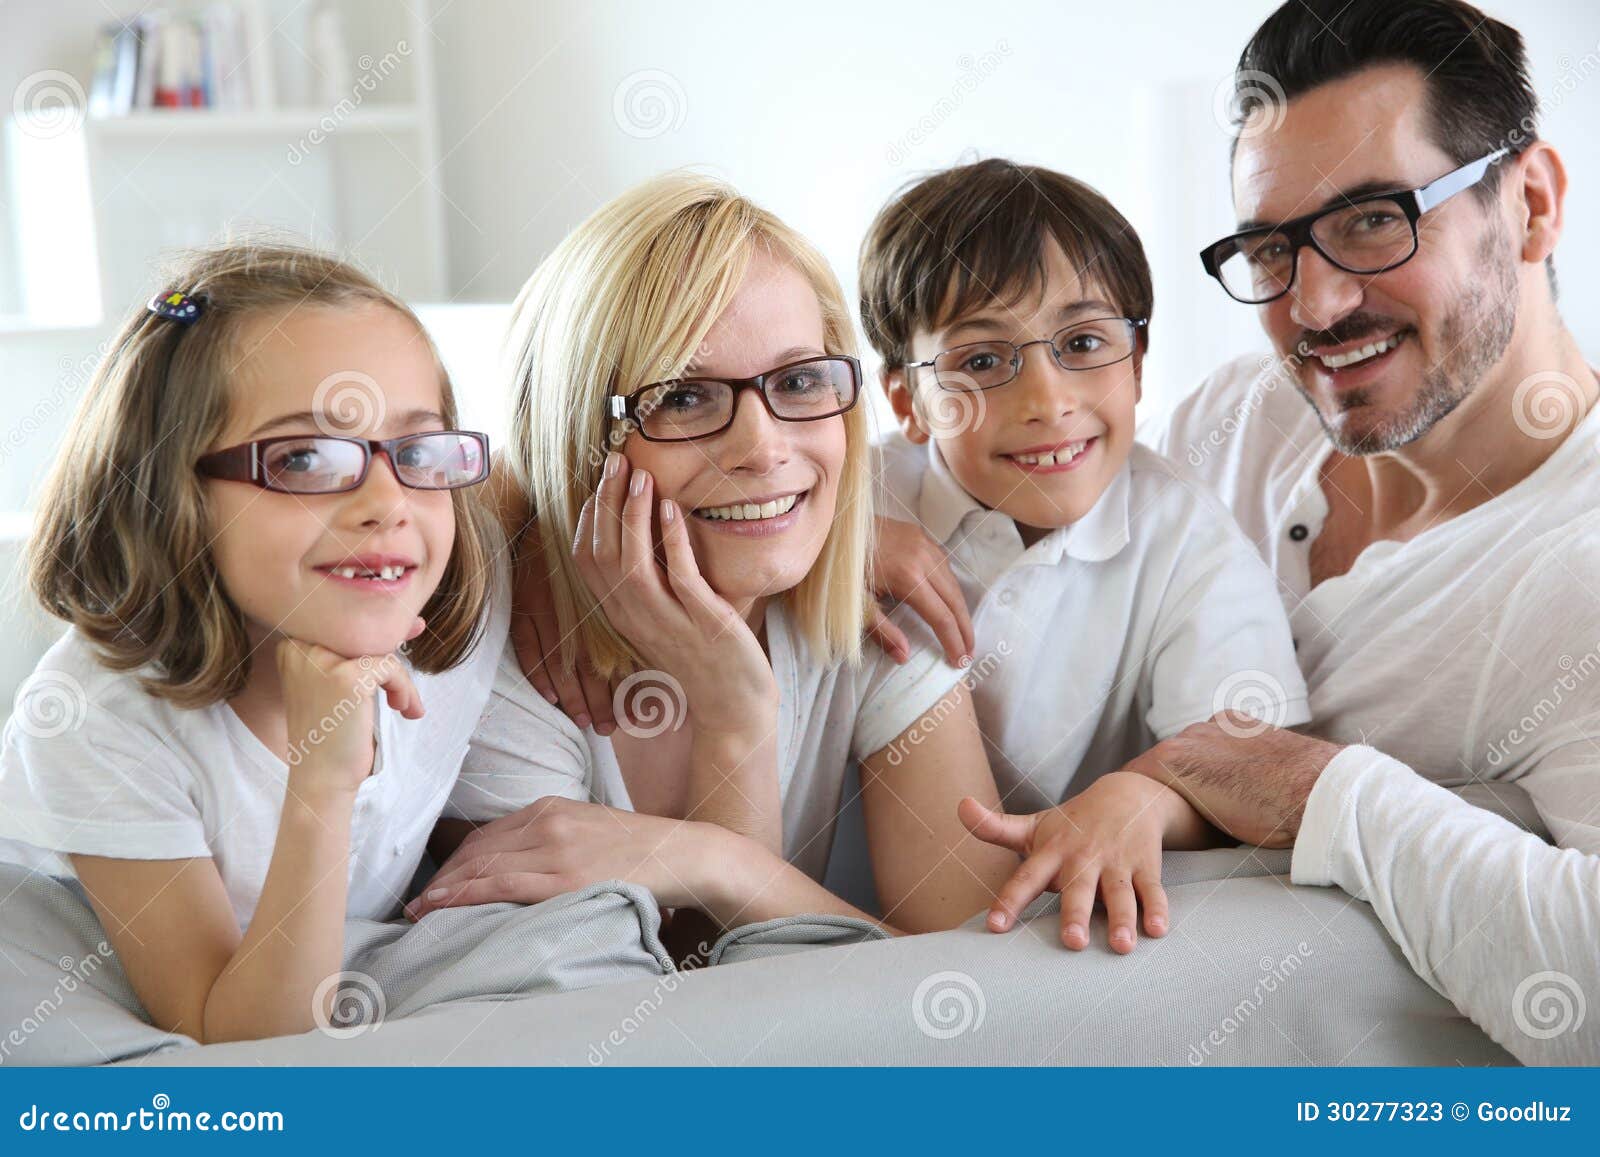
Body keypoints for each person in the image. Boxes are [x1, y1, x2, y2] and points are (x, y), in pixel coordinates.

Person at [1131, 0, 1599, 1063]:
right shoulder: (1232, 423)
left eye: (1374, 219)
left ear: (1528, 204)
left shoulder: (1579, 568)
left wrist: (1320, 792)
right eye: (1270, 247)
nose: (1316, 303)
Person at [405, 174, 1017, 937]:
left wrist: (731, 867)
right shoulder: (494, 672)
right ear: (576, 440)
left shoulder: (882, 618)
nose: (762, 448)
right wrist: (734, 720)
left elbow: (982, 980)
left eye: (798, 381)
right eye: (684, 397)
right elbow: (696, 1037)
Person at [0, 243, 508, 1043]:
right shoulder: (95, 722)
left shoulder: (446, 571)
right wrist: (321, 785)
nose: (388, 502)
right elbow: (247, 1049)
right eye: (304, 457)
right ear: (171, 492)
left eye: (417, 450)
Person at [858, 158, 1309, 952]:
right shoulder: (853, 497)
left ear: (1137, 364)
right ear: (909, 403)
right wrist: (842, 547)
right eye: (983, 361)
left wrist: (1144, 796)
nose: (1048, 401)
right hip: (826, 919)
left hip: (1024, 938)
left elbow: (1251, 768)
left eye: (1083, 342)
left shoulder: (1190, 544)